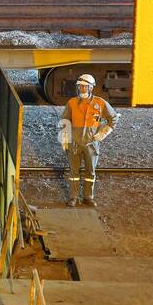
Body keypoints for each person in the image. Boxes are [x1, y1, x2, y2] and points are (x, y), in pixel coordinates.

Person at [59, 73, 119, 207]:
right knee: (74, 172)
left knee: (90, 171)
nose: (82, 89)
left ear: (91, 88)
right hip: (74, 143)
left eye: (85, 87)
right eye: (80, 87)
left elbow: (113, 118)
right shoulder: (72, 103)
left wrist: (103, 133)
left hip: (91, 144)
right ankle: (73, 197)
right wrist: (64, 138)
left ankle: (88, 197)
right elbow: (65, 121)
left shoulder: (100, 103)